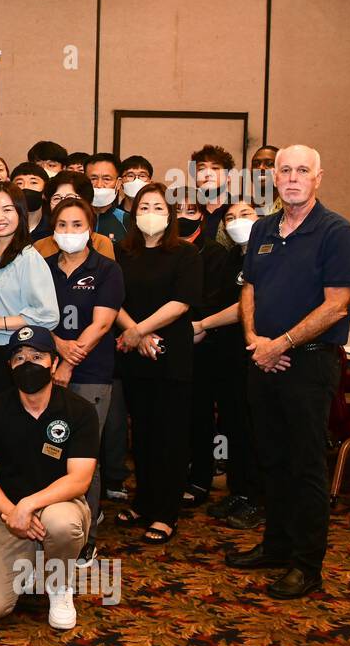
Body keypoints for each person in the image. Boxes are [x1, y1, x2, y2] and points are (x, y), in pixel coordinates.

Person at [226, 145, 350, 599]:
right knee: (273, 459)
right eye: (284, 170)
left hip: (309, 362)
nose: (291, 178)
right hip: (262, 359)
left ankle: (307, 565)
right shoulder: (263, 229)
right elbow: (250, 289)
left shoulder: (336, 232)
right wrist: (256, 342)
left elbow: (337, 303)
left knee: (305, 466)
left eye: (302, 170)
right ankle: (277, 546)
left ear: (318, 177)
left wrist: (282, 343)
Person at [0, 326, 99, 631]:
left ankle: (59, 584)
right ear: (10, 367)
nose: (28, 364)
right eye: (19, 358)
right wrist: (12, 511)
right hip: (8, 514)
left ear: (54, 363)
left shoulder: (79, 411)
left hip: (61, 505)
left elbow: (80, 479)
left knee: (61, 524)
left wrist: (29, 505)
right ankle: (31, 559)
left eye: (37, 356)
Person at [112, 183, 203, 545]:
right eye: (144, 206)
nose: (151, 212)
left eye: (159, 207)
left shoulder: (185, 254)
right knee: (144, 434)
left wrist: (141, 331)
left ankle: (166, 513)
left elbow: (182, 303)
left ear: (171, 214)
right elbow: (113, 298)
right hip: (136, 354)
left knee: (170, 435)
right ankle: (144, 502)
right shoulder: (123, 252)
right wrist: (135, 334)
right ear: (134, 214)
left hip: (171, 355)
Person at [44, 196, 123, 564]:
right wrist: (58, 350)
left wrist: (69, 363)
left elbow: (103, 323)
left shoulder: (107, 269)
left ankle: (86, 534)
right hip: (45, 372)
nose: (69, 232)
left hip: (91, 374)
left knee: (83, 455)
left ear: (90, 228)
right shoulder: (42, 267)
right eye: (62, 225)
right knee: (49, 449)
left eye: (77, 225)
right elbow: (40, 317)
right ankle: (48, 524)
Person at [194, 199, 264, 530]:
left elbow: (244, 306)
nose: (237, 221)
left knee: (253, 429)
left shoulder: (267, 256)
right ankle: (240, 491)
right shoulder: (232, 257)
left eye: (245, 215)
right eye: (231, 218)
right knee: (235, 426)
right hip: (229, 357)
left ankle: (258, 499)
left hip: (256, 356)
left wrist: (204, 324)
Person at [0, 181, 60, 398]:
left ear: (20, 213)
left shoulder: (28, 258)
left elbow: (48, 315)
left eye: (7, 209)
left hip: (12, 352)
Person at [180, 190, 234, 510]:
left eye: (190, 209)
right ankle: (176, 472)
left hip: (205, 344)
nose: (182, 216)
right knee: (175, 415)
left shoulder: (215, 253)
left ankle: (201, 475)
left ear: (202, 214)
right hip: (166, 343)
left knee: (201, 414)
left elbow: (217, 297)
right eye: (176, 210)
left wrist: (199, 326)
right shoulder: (162, 249)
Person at [32, 171, 116, 259]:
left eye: (70, 198)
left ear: (87, 202)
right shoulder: (40, 246)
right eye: (56, 198)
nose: (63, 204)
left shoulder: (101, 243)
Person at [190, 144, 235, 242]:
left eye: (215, 168)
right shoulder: (188, 209)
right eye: (201, 169)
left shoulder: (237, 207)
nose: (208, 174)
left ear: (228, 177)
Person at [85, 153, 128, 243]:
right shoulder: (72, 218)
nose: (99, 185)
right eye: (93, 178)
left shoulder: (127, 221)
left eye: (107, 179)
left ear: (118, 183)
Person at [9, 162, 51, 242]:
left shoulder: (53, 228)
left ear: (45, 190)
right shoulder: (4, 227)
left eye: (33, 182)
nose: (25, 187)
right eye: (19, 183)